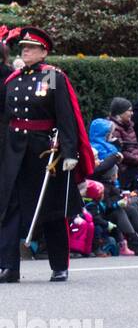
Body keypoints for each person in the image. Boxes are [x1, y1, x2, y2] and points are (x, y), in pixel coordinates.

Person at [0, 27, 94, 283]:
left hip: (44, 152)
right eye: (23, 47)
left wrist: (70, 150)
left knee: (51, 210)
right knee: (9, 208)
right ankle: (9, 267)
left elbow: (65, 114)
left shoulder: (52, 76)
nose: (25, 51)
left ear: (44, 52)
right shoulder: (13, 79)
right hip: (14, 150)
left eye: (31, 47)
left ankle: (59, 265)